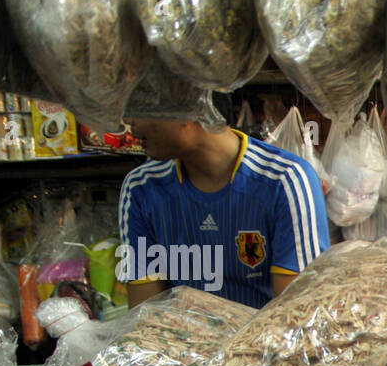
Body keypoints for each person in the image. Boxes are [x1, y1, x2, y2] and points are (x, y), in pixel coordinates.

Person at [118, 117, 329, 309]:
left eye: (141, 110)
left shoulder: (285, 181)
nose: (129, 121)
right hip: (181, 346)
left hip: (267, 348)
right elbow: (144, 315)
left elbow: (297, 317)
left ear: (188, 108)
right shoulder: (142, 187)